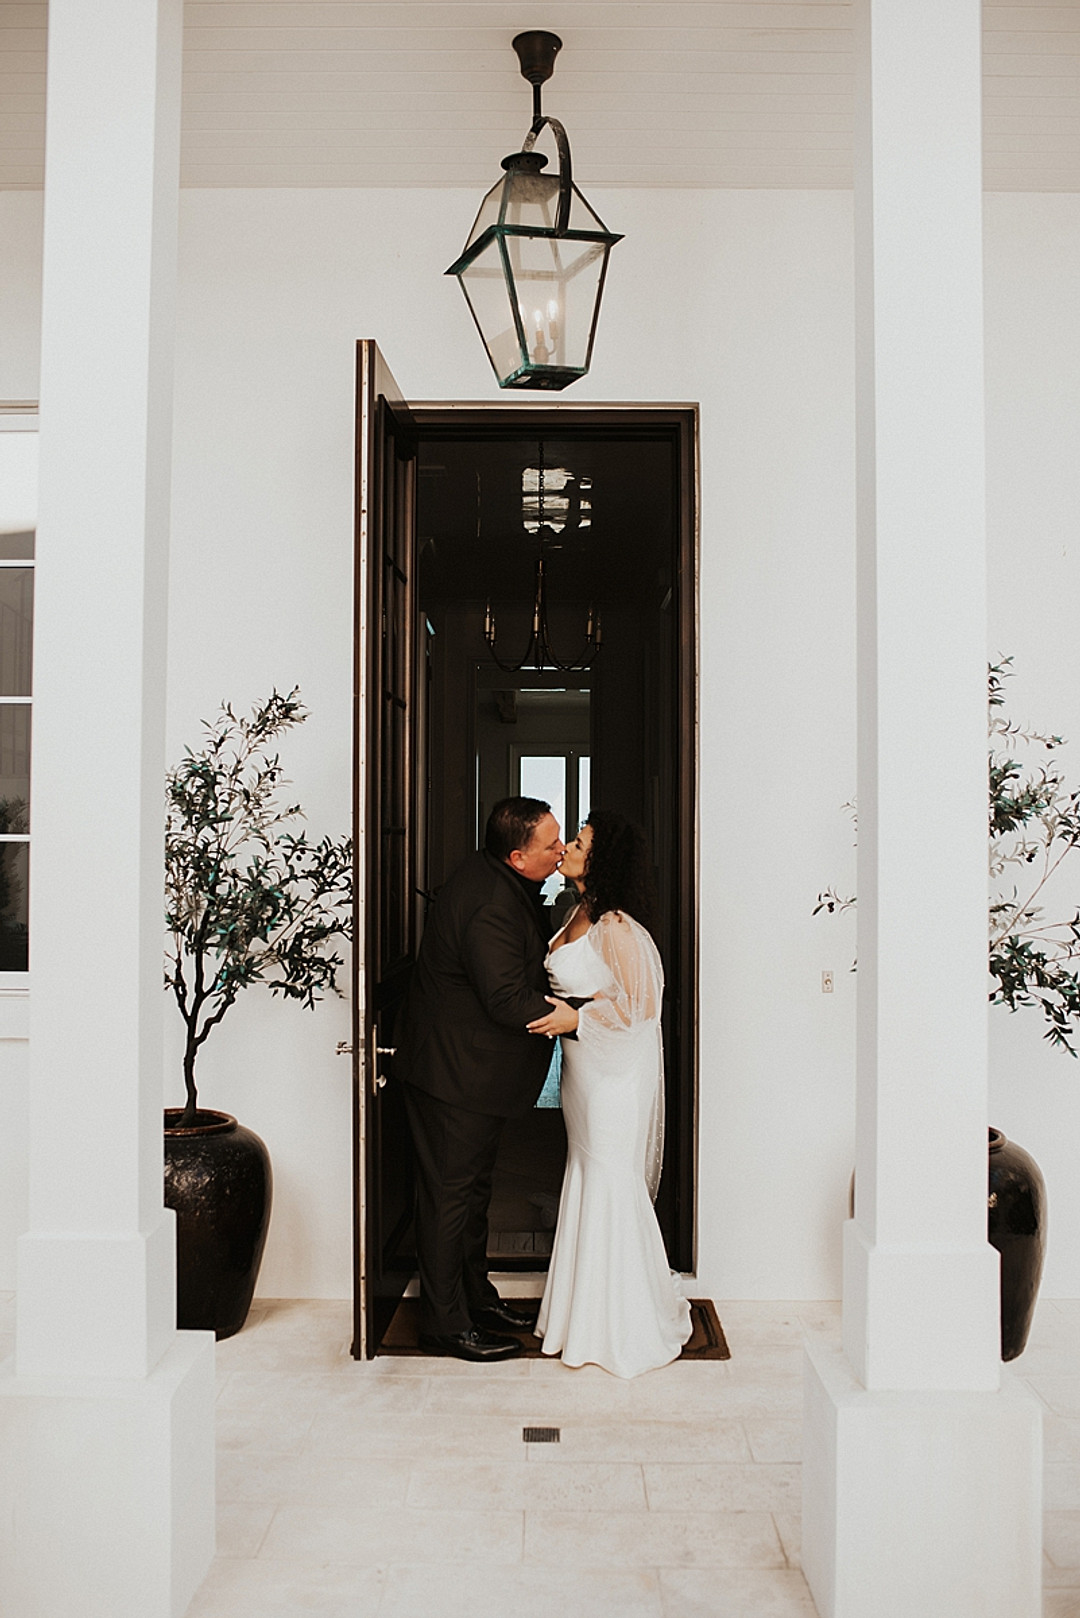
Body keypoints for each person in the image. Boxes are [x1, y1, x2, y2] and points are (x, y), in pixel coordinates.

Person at [393, 796, 580, 1362]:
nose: (563, 849)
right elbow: (505, 1000)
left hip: (468, 1074)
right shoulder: (491, 904)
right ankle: (446, 1324)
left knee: (471, 1196)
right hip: (456, 1077)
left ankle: (476, 1298)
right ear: (519, 857)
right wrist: (580, 1016)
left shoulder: (494, 874)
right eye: (552, 844)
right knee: (450, 1199)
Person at [528, 810, 692, 1378]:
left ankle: (621, 1323)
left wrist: (575, 1018)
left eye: (579, 841)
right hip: (582, 1074)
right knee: (585, 1173)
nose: (568, 846)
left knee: (608, 1180)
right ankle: (581, 1312)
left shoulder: (617, 926)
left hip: (613, 1078)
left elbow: (641, 1009)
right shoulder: (576, 910)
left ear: (602, 861)